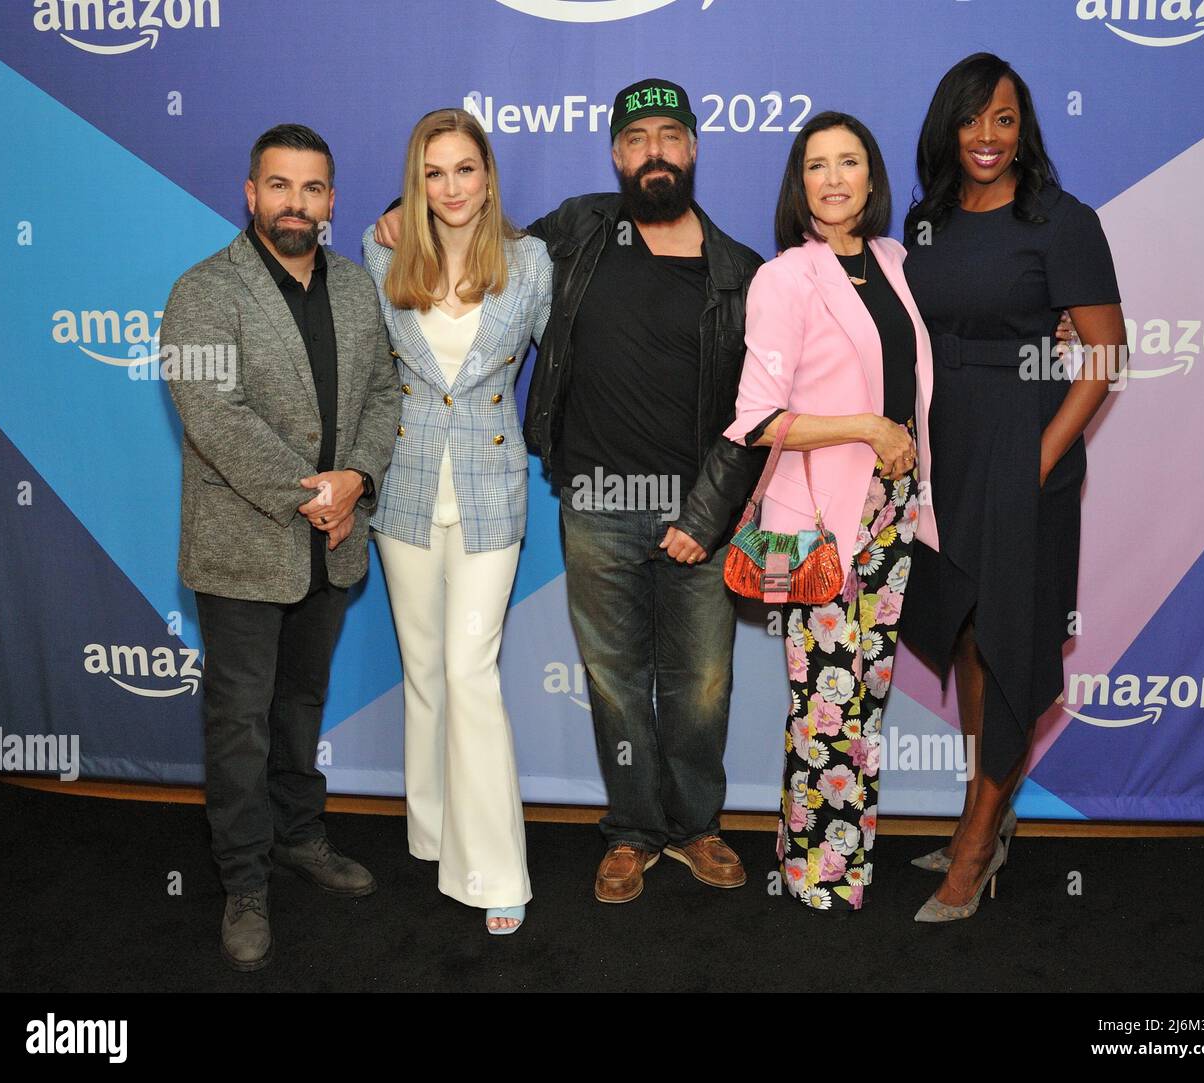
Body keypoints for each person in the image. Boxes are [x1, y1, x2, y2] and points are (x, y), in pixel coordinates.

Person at [376, 77, 765, 904]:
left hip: (700, 512)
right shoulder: (578, 231)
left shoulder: (740, 272)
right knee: (614, 680)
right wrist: (391, 211)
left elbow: (755, 413)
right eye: (635, 140)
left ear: (693, 147)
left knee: (701, 684)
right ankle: (631, 832)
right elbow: (467, 226)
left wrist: (708, 513)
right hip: (594, 504)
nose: (652, 152)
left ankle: (695, 824)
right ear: (616, 155)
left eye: (668, 136)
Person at [162, 124, 400, 970]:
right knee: (240, 723)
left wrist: (360, 477)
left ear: (331, 201)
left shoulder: (355, 287)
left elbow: (383, 391)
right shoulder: (204, 290)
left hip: (332, 546)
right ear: (250, 192)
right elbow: (214, 413)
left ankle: (300, 837)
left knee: (300, 706)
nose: (295, 203)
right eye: (279, 186)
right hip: (246, 546)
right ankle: (244, 881)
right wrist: (317, 493)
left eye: (312, 189)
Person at [900, 53, 1126, 921]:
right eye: (971, 119)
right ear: (946, 130)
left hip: (1023, 441)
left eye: (1003, 118)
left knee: (1008, 637)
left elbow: (1104, 355)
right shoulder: (927, 224)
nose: (988, 137)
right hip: (941, 448)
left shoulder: (1062, 222)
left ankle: (977, 843)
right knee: (963, 629)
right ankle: (978, 810)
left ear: (1024, 126)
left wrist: (1036, 459)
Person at [723, 112, 939, 912]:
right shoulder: (785, 278)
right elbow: (757, 419)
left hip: (894, 513)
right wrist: (868, 427)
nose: (836, 177)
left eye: (851, 161)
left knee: (865, 696)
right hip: (817, 522)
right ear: (800, 182)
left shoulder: (896, 262)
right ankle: (817, 875)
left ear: (874, 179)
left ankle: (836, 859)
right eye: (818, 165)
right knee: (824, 699)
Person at [363, 109, 551, 935]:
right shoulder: (379, 254)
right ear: (417, 179)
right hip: (402, 493)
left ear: (488, 172)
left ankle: (494, 869)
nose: (450, 188)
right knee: (426, 669)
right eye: (433, 173)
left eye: (464, 170)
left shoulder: (530, 262)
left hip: (489, 492)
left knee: (471, 668)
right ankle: (435, 828)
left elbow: (572, 359)